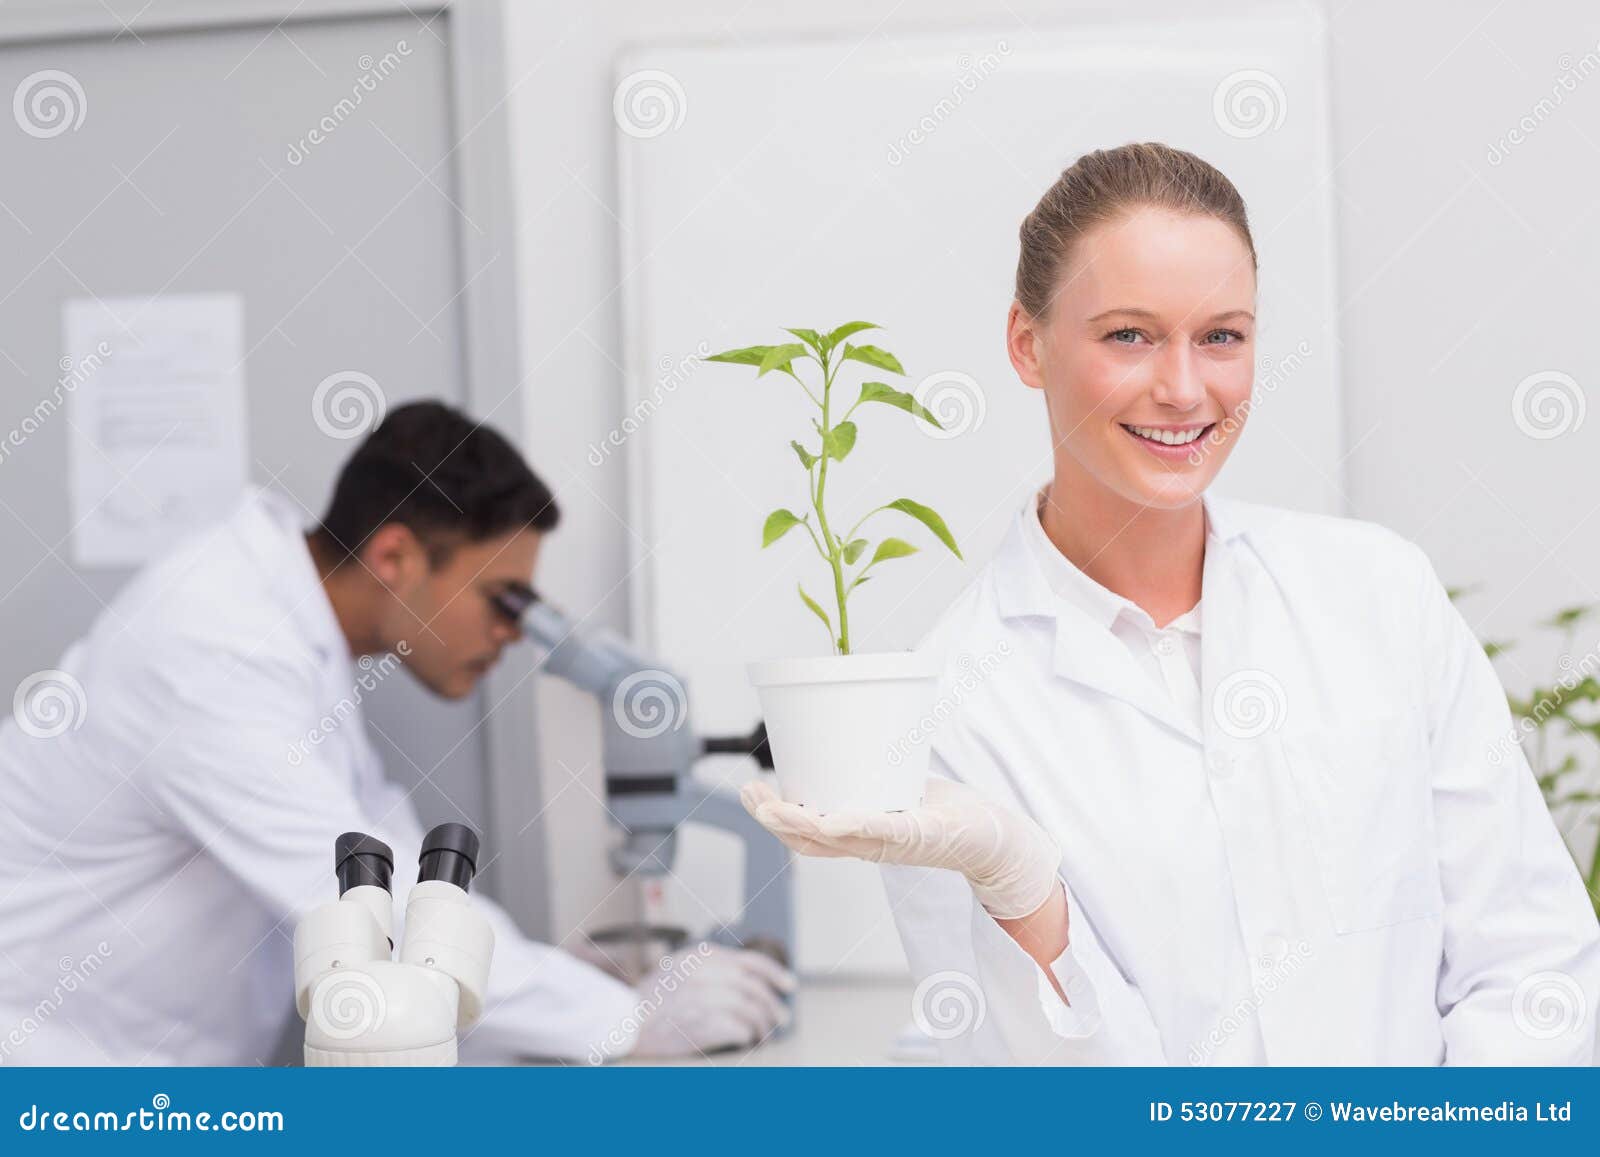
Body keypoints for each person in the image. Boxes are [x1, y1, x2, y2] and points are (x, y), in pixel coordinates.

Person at [742, 142, 1600, 1065]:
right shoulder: (952, 701)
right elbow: (1046, 1099)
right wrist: (1024, 890)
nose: (1185, 390)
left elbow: (1531, 963)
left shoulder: (1379, 593)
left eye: (1222, 336)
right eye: (1129, 335)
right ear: (1028, 344)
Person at [0, 401, 791, 1064]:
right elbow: (367, 916)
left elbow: (398, 870)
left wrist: (560, 980)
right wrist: (624, 1020)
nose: (512, 634)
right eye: (502, 598)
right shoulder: (215, 648)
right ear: (394, 555)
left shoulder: (291, 634)